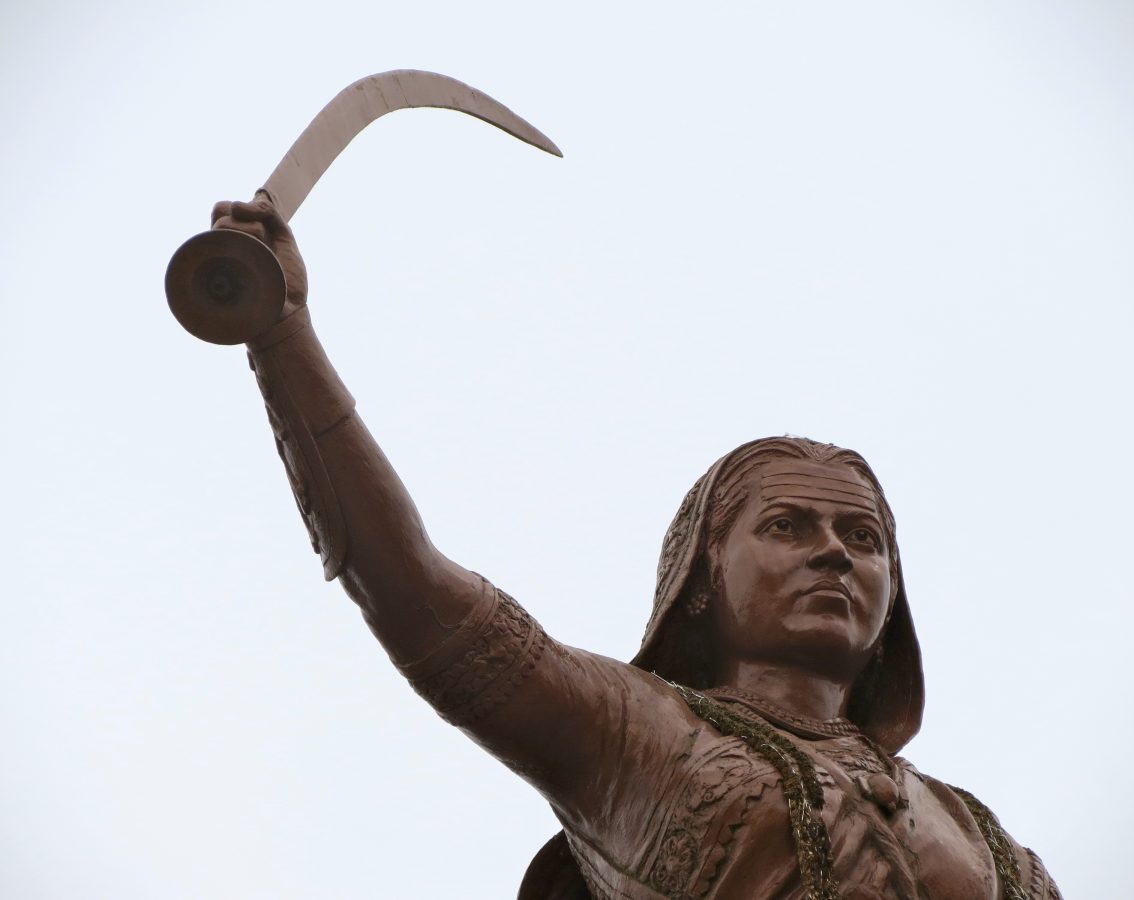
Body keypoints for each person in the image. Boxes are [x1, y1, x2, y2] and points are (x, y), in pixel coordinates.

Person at [208, 196, 1061, 899]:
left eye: (863, 537)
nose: (835, 553)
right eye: (787, 527)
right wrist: (281, 338)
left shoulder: (990, 841)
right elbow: (408, 586)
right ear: (700, 579)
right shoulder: (635, 733)